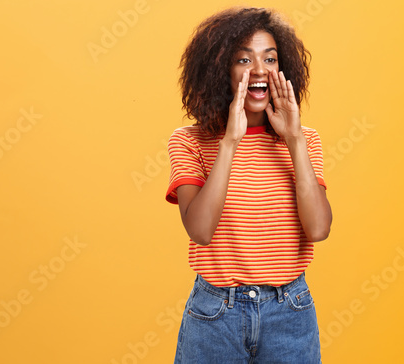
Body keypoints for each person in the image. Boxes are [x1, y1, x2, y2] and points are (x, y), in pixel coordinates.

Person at [164, 6, 333, 363]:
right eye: (243, 59)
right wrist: (230, 141)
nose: (258, 69)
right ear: (219, 68)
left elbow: (317, 228)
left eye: (269, 59)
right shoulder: (190, 142)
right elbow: (200, 230)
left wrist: (294, 141)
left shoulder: (305, 140)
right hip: (215, 316)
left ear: (281, 68)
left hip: (290, 311)